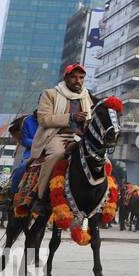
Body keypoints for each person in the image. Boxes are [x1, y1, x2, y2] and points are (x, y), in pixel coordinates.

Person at [29, 64, 96, 213]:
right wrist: (71, 117)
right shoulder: (50, 94)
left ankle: (98, 201)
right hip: (57, 135)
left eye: (81, 78)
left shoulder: (87, 96)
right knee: (57, 154)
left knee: (101, 159)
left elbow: (91, 120)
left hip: (80, 137)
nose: (78, 80)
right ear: (65, 77)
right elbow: (44, 120)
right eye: (73, 77)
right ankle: (41, 197)